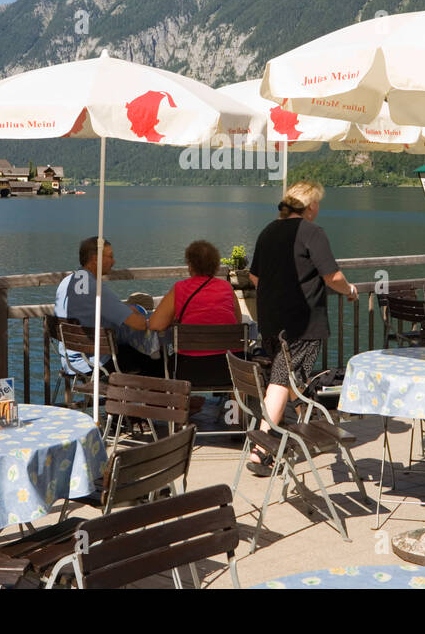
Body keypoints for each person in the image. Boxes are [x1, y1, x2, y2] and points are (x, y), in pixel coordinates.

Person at [246, 181, 358, 475]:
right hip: (302, 322)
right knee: (282, 380)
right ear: (310, 206)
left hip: (270, 320)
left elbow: (255, 277)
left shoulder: (268, 231)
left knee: (287, 376)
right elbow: (332, 275)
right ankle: (261, 450)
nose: (318, 209)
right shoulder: (312, 232)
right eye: (317, 203)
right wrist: (348, 290)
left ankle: (307, 427)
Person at [149, 240, 241, 411]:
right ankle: (236, 421)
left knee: (165, 362)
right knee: (239, 360)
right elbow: (237, 324)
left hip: (188, 369)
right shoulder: (227, 288)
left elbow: (155, 324)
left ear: (190, 265)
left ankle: (178, 417)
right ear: (215, 265)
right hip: (227, 369)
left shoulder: (180, 288)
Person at [55, 237, 163, 377]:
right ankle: (152, 397)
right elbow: (140, 324)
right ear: (95, 259)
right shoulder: (96, 290)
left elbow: (91, 311)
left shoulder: (67, 282)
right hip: (92, 362)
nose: (114, 261)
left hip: (69, 360)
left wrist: (125, 310)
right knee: (154, 359)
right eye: (110, 256)